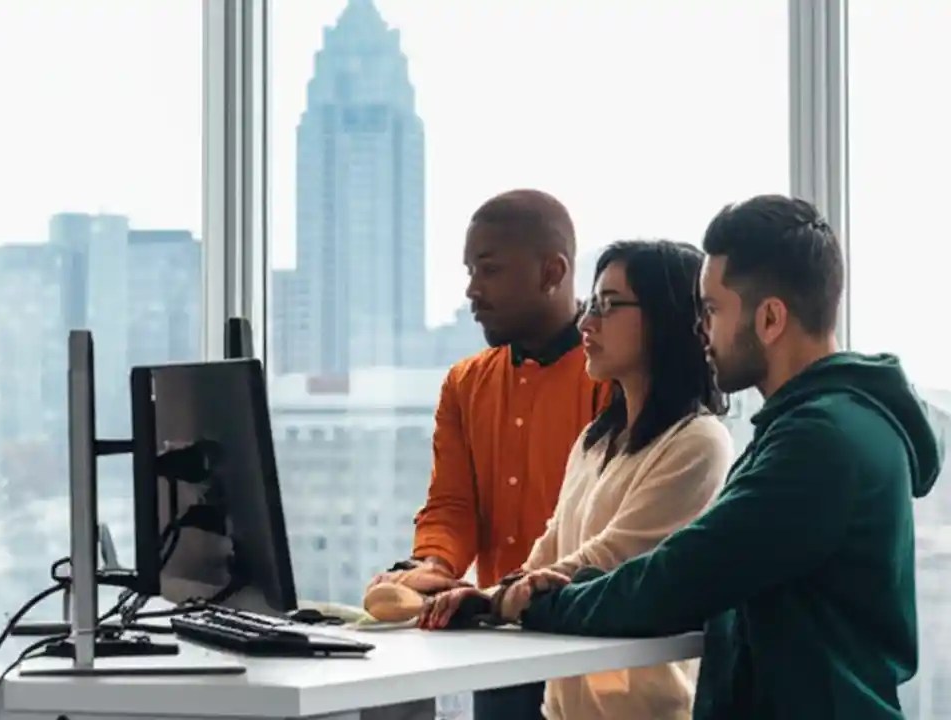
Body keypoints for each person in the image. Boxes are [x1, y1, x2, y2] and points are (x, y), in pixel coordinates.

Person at [491, 195, 939, 720]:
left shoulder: (820, 440)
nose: (700, 328)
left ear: (769, 318)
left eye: (711, 310)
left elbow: (681, 577)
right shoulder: (827, 426)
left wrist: (541, 602)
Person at [420, 239, 733, 719]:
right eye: (592, 305)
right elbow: (551, 549)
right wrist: (488, 596)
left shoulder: (698, 442)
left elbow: (609, 561)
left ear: (665, 317)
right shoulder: (596, 439)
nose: (587, 323)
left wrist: (500, 599)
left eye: (609, 306)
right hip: (564, 709)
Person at [365, 189, 608, 719]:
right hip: (498, 644)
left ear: (552, 272)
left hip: (590, 643)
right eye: (471, 271)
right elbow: (453, 506)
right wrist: (430, 565)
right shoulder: (464, 383)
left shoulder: (611, 379)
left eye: (489, 270)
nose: (472, 289)